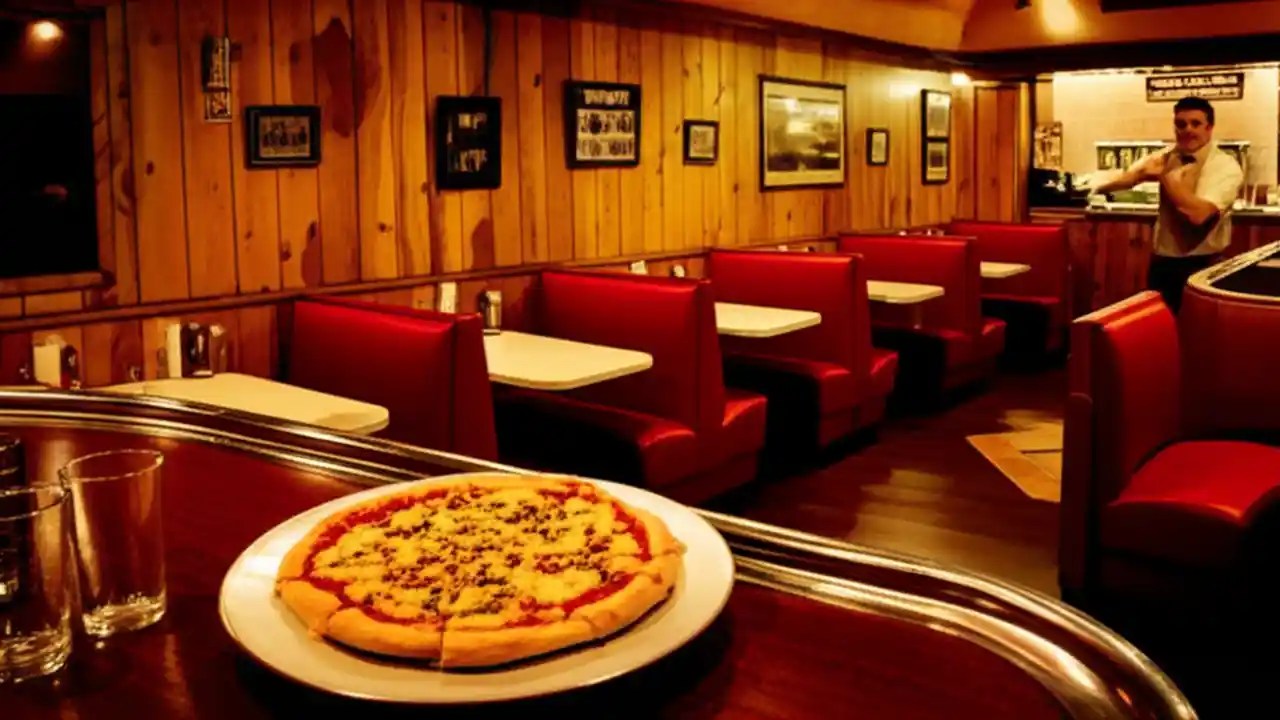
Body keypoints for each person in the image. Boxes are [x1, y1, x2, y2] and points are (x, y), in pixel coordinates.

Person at [1092, 96, 1243, 313]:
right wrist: (1103, 185)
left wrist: (1166, 178)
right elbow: (1125, 177)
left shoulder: (1225, 166)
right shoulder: (1165, 157)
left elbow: (1198, 214)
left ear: (1209, 128)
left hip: (1204, 266)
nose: (1187, 129)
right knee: (1161, 332)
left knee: (1196, 333)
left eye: (1195, 123)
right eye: (1180, 124)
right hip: (1162, 265)